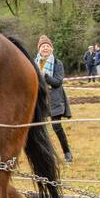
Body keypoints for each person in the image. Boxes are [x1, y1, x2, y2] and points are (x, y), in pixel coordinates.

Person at [35, 35, 73, 163]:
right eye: (43, 46)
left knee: (57, 127)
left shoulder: (57, 63)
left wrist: (45, 76)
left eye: (47, 46)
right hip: (40, 99)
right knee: (41, 129)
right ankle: (46, 155)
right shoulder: (34, 63)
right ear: (39, 49)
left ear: (52, 49)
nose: (45, 48)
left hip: (55, 99)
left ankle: (67, 152)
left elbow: (57, 82)